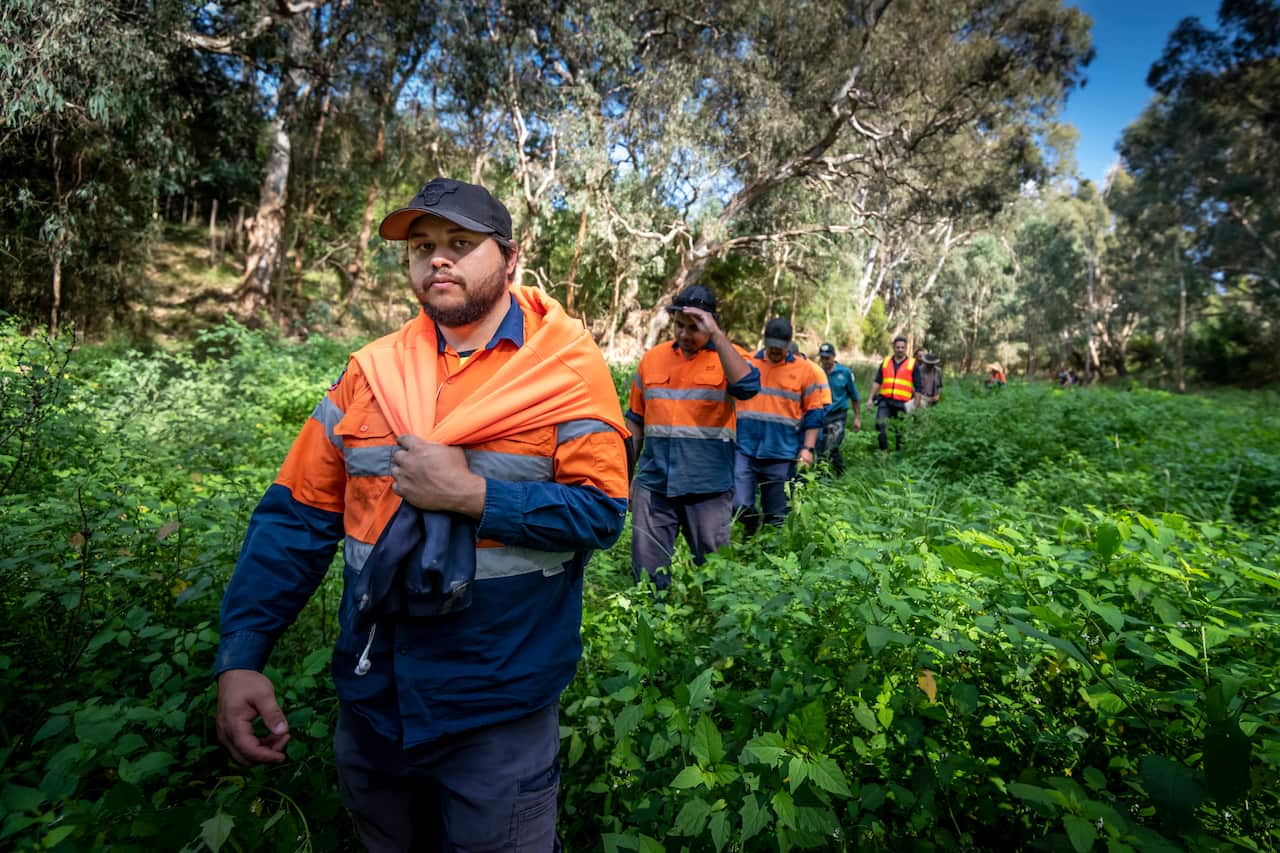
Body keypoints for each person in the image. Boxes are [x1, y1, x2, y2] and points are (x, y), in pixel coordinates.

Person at [213, 177, 629, 851]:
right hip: (376, 701)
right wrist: (242, 654)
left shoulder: (566, 373)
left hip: (498, 711)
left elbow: (601, 512)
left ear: (511, 257)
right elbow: (296, 516)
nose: (438, 259)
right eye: (422, 246)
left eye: (461, 244)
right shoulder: (370, 373)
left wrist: (473, 496)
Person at [626, 285, 759, 589]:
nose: (686, 334)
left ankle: (715, 631)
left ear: (711, 324)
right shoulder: (653, 360)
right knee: (647, 575)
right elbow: (635, 424)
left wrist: (716, 335)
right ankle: (653, 626)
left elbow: (749, 387)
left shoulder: (728, 358)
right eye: (680, 326)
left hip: (708, 487)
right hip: (654, 484)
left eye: (695, 327)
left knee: (715, 573)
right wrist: (626, 479)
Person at [733, 318, 831, 532]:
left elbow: (814, 411)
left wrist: (807, 449)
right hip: (745, 448)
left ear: (789, 344)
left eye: (780, 346)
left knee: (776, 516)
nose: (775, 350)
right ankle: (751, 524)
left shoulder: (805, 371)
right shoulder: (749, 364)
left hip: (781, 454)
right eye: (771, 345)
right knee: (738, 505)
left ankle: (767, 557)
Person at [866, 335, 922, 452]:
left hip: (902, 403)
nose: (900, 349)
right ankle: (884, 453)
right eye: (898, 347)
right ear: (893, 347)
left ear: (906, 348)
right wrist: (870, 398)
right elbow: (877, 381)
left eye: (902, 347)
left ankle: (898, 453)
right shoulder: (886, 362)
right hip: (885, 401)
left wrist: (916, 405)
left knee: (899, 430)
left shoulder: (913, 364)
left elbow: (918, 387)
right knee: (880, 424)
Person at [815, 342, 861, 475]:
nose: (825, 361)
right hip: (821, 415)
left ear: (834, 356)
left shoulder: (845, 372)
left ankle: (841, 473)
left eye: (827, 358)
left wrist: (857, 417)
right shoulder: (817, 372)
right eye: (822, 358)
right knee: (820, 449)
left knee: (832, 447)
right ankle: (821, 478)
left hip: (838, 416)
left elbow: (855, 396)